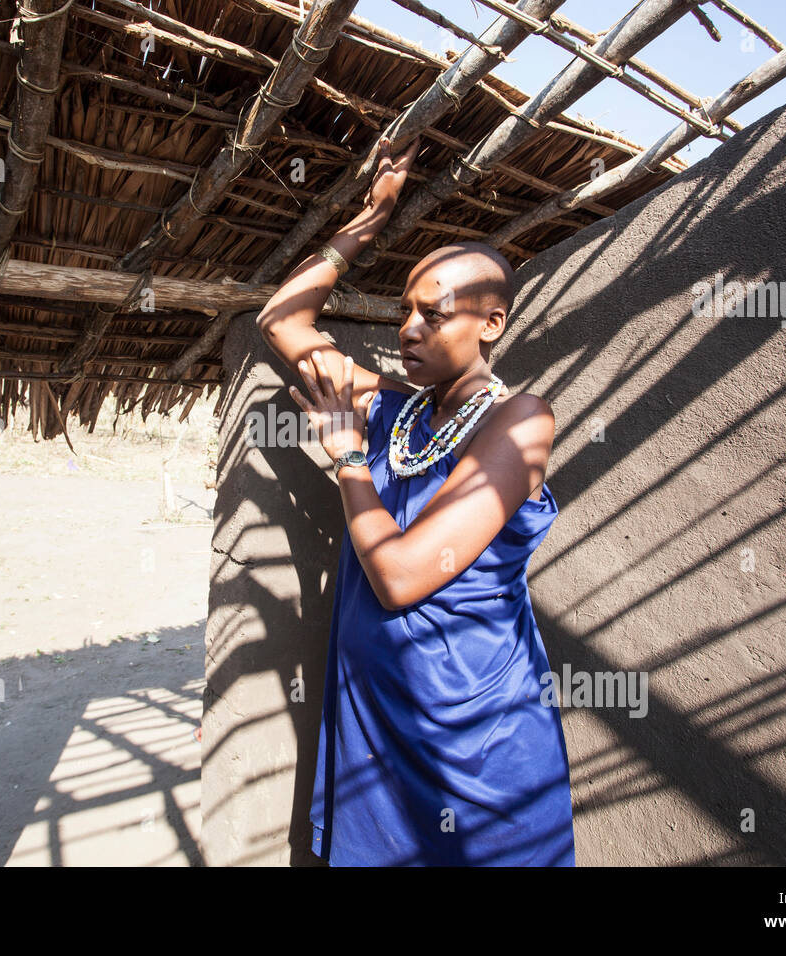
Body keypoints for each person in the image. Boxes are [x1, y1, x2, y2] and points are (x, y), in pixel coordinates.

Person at [255, 135, 574, 866]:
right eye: (405, 311)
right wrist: (370, 217)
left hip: (473, 741)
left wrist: (347, 456)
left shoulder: (521, 421)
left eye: (435, 314)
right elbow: (283, 323)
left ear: (490, 324)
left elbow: (399, 579)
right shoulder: (399, 410)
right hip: (376, 723)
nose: (407, 329)